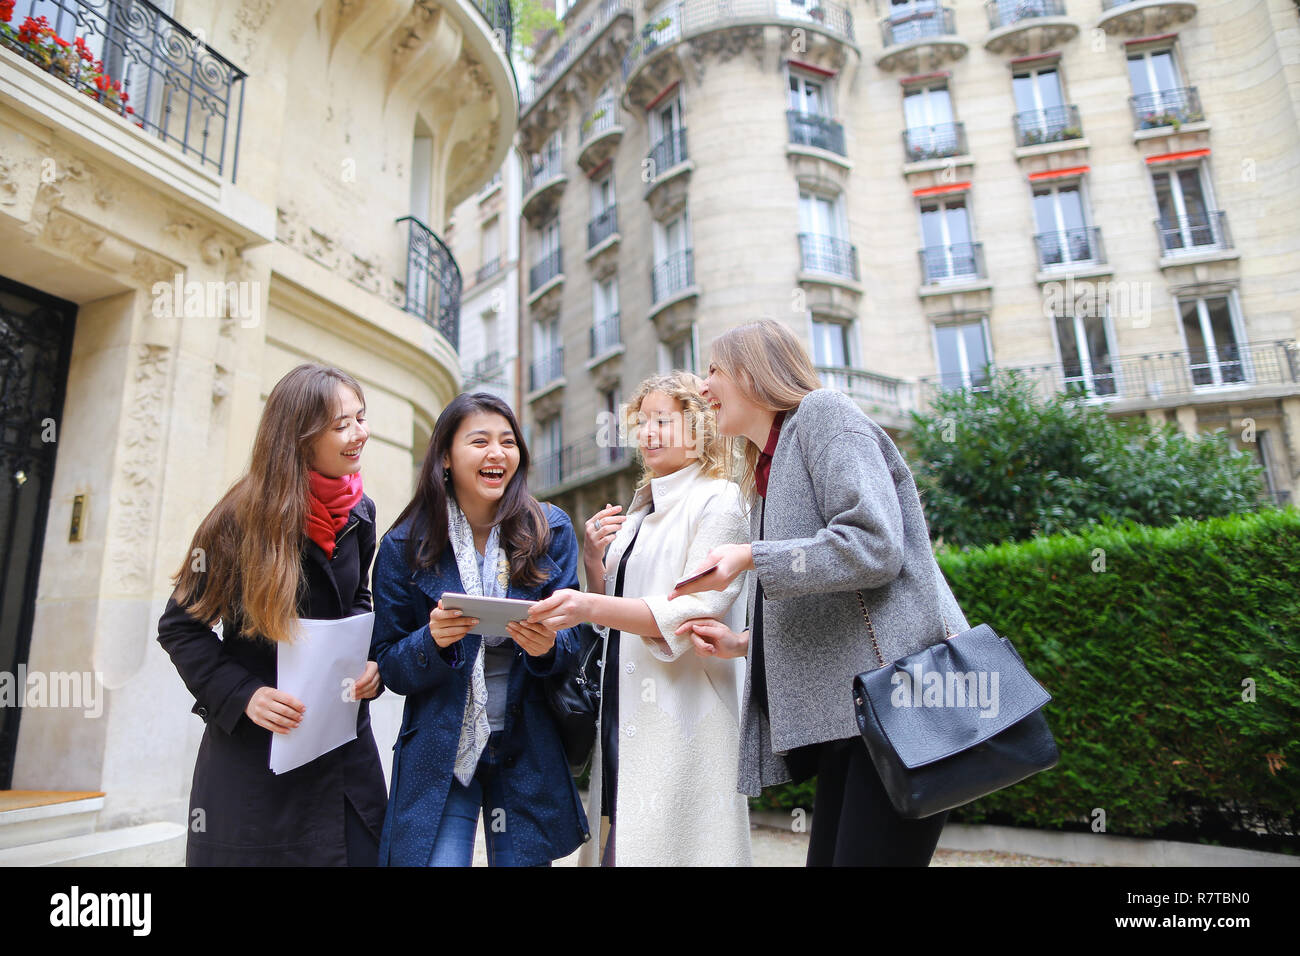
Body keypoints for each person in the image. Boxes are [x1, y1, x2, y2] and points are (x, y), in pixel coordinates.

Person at [670, 319, 971, 866]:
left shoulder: (824, 415)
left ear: (754, 371)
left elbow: (874, 545)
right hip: (856, 715)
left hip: (899, 706)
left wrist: (750, 556)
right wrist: (745, 642)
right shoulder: (768, 465)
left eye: (713, 369)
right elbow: (823, 582)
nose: (703, 385)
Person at [156, 363, 387, 866]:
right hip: (259, 758)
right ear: (300, 437)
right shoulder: (236, 521)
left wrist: (370, 666)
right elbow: (180, 626)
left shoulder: (361, 512)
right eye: (340, 424)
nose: (359, 434)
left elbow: (358, 602)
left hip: (343, 749)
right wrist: (245, 695)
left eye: (361, 418)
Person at [527, 372, 752, 866]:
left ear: (699, 430)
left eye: (663, 420)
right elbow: (616, 620)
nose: (647, 432)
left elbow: (695, 609)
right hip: (624, 709)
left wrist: (587, 604)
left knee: (675, 851)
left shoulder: (720, 500)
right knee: (623, 845)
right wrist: (593, 563)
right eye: (642, 420)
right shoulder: (639, 512)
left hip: (683, 711)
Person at [370, 392, 588, 866]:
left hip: (526, 745)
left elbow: (575, 641)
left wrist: (547, 646)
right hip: (442, 753)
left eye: (508, 442)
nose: (497, 453)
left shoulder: (550, 529)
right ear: (445, 456)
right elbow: (389, 663)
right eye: (480, 441)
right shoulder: (402, 544)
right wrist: (432, 641)